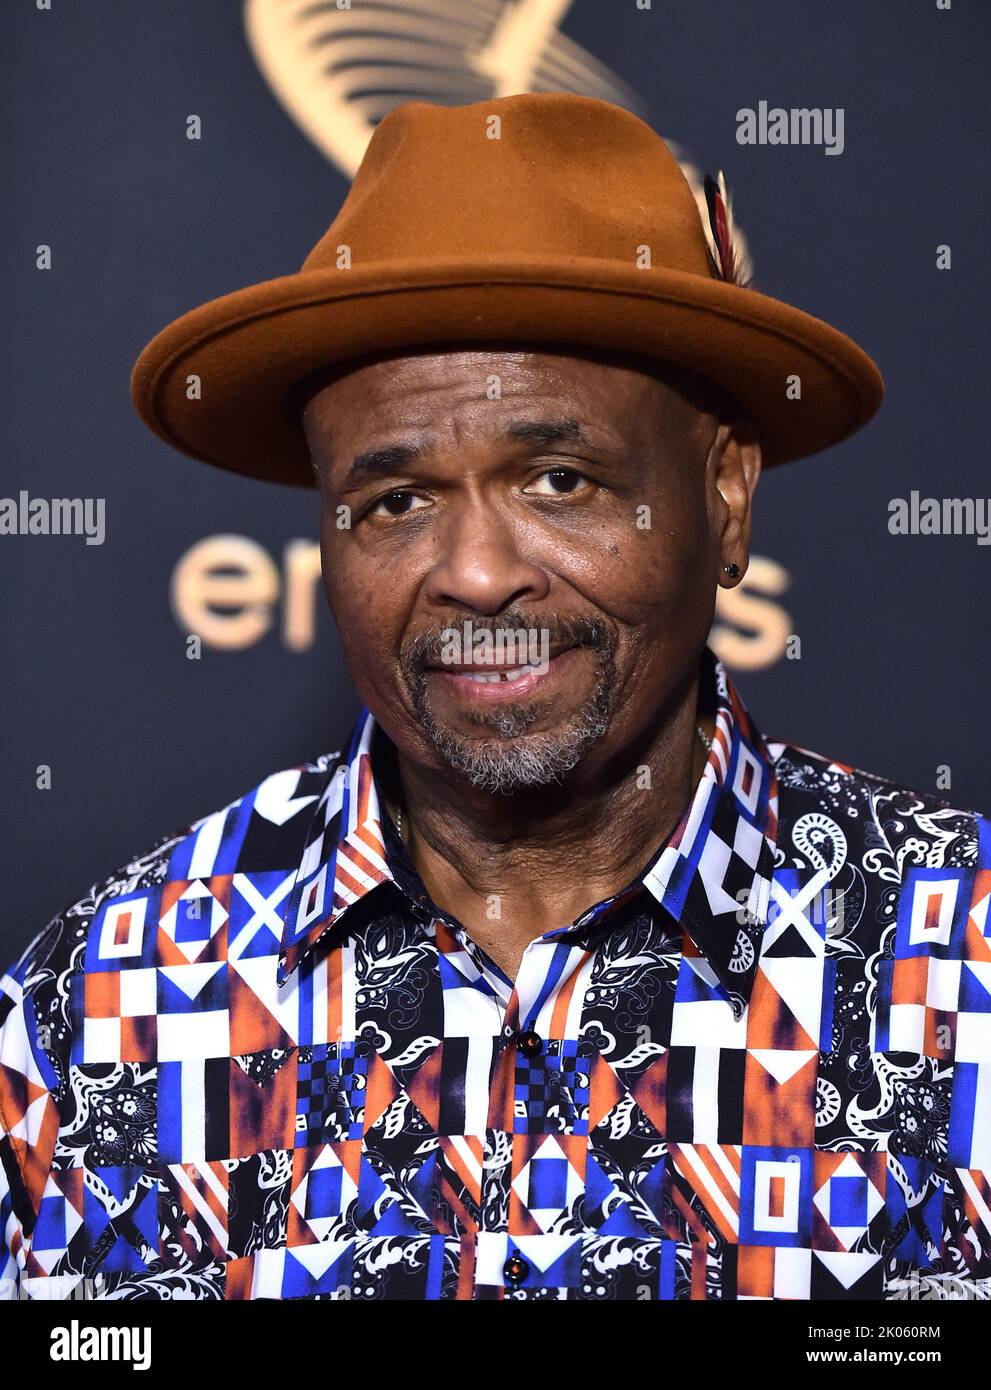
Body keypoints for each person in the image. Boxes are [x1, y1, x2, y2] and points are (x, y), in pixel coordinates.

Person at [2, 92, 987, 1303]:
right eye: (397, 501)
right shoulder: (107, 995)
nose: (475, 573)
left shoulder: (959, 965)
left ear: (726, 495)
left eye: (560, 479)